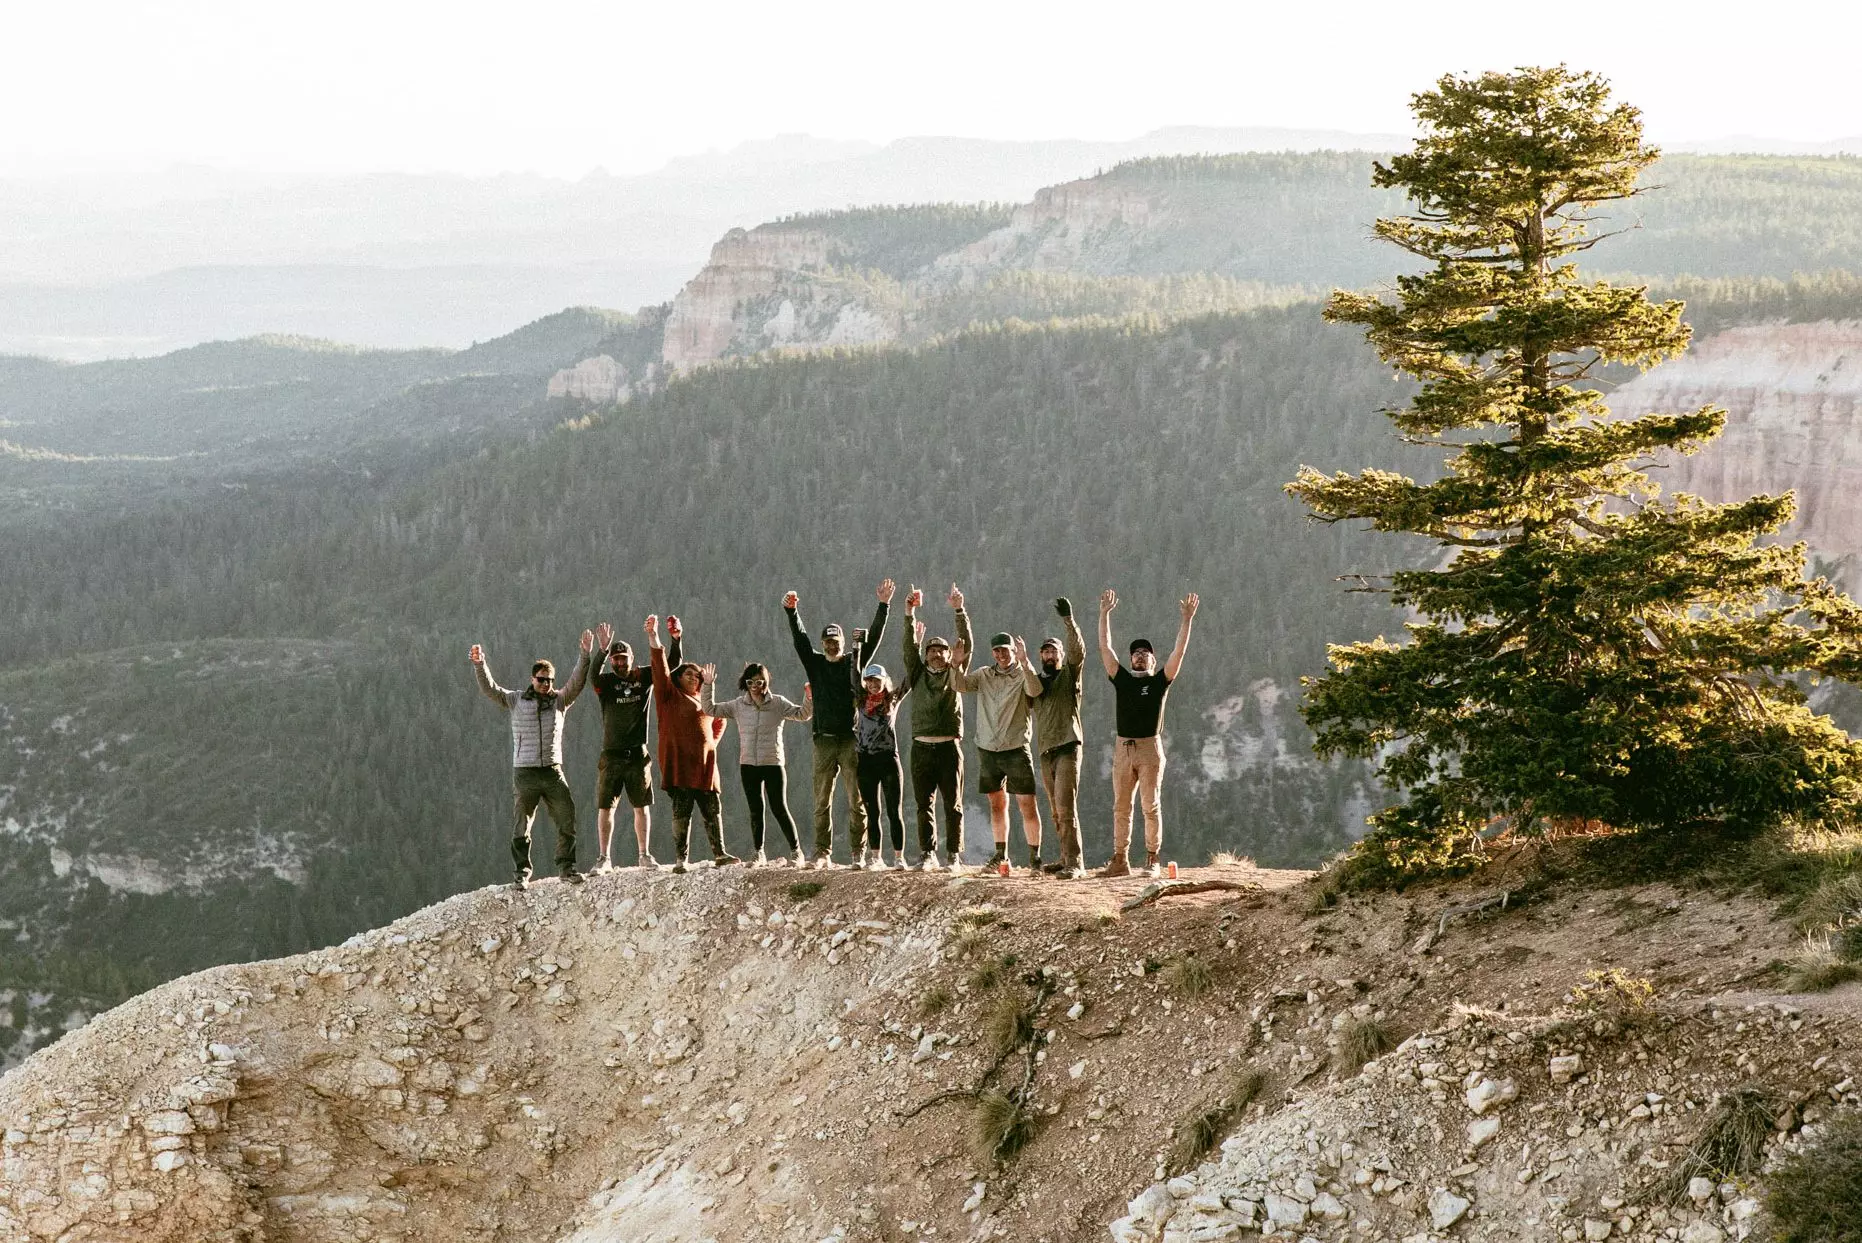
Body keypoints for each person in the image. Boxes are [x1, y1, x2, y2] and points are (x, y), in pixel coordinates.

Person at [470, 632, 593, 888]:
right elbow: (490, 689)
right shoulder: (515, 700)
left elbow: (577, 682)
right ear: (532, 679)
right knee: (522, 824)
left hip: (551, 769)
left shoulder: (560, 701)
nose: (545, 684)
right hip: (525, 771)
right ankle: (521, 873)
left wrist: (585, 655)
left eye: (549, 681)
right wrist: (480, 665)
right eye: (541, 680)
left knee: (566, 817)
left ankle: (567, 868)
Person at [784, 580, 894, 868]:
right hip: (823, 740)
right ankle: (822, 852)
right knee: (822, 800)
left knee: (855, 800)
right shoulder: (816, 664)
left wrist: (883, 605)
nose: (832, 646)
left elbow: (873, 640)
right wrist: (792, 612)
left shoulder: (852, 664)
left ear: (843, 643)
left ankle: (857, 852)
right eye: (828, 642)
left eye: (836, 642)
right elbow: (800, 641)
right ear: (823, 644)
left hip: (850, 739)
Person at [1097, 589, 1199, 878]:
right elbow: (1105, 648)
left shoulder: (1159, 683)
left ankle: (1152, 859)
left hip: (1149, 748)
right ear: (1131, 660)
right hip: (1123, 747)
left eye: (1145, 653)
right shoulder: (1122, 680)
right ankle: (1120, 859)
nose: (1140, 656)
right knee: (1121, 805)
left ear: (1154, 661)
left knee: (1150, 805)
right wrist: (1104, 614)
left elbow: (1179, 652)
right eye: (1136, 653)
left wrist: (1186, 620)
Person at [951, 618, 1044, 874]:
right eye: (998, 651)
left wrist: (1026, 663)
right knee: (996, 804)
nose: (1002, 655)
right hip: (988, 749)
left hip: (1015, 747)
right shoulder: (983, 674)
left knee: (1027, 804)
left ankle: (1035, 857)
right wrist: (955, 665)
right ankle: (1001, 856)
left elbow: (1035, 691)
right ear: (993, 653)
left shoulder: (1023, 674)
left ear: (1014, 651)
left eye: (1006, 650)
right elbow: (958, 685)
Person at [588, 617, 680, 871]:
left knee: (641, 806)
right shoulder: (606, 682)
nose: (619, 662)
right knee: (606, 807)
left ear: (631, 657)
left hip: (638, 753)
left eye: (623, 657)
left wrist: (672, 638)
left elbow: (670, 665)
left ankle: (644, 854)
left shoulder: (644, 675)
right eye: (615, 658)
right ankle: (604, 858)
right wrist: (602, 649)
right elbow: (591, 677)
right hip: (611, 754)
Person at [645, 615, 735, 873]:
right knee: (681, 812)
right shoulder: (668, 695)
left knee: (712, 809)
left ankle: (720, 853)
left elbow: (720, 720)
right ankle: (680, 859)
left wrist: (710, 744)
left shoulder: (704, 702)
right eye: (688, 674)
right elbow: (660, 667)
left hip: (705, 764)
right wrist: (655, 636)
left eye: (697, 676)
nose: (694, 678)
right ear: (678, 678)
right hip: (680, 764)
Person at [709, 662, 813, 865]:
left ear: (766, 681)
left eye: (759, 681)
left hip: (773, 762)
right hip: (748, 764)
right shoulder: (738, 705)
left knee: (779, 808)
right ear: (745, 683)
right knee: (756, 809)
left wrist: (809, 697)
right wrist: (707, 685)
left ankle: (796, 851)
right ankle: (759, 853)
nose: (755, 685)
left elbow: (803, 714)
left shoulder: (778, 703)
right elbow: (710, 708)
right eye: (750, 682)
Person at [900, 585, 973, 870]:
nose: (936, 655)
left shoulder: (956, 673)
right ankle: (927, 854)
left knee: (953, 805)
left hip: (949, 746)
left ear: (948, 654)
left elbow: (966, 642)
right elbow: (908, 647)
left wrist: (959, 610)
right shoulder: (917, 674)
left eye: (941, 651)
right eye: (931, 650)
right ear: (926, 653)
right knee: (923, 805)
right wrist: (909, 612)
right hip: (921, 747)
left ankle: (954, 855)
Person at [1030, 597, 1087, 878]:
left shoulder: (1070, 677)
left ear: (1060, 656)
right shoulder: (1036, 684)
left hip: (1067, 747)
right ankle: (1065, 858)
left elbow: (1079, 651)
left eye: (1054, 652)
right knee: (1055, 810)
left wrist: (1069, 620)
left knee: (1066, 807)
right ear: (1040, 656)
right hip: (1045, 751)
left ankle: (1075, 863)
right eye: (1046, 653)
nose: (1050, 656)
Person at [851, 661, 909, 870]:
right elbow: (853, 673)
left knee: (894, 811)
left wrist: (916, 645)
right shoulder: (861, 700)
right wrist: (857, 649)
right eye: (870, 680)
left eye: (877, 680)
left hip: (888, 760)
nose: (874, 684)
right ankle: (876, 857)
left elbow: (909, 678)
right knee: (872, 811)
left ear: (885, 681)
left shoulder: (892, 699)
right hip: (866, 761)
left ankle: (898, 857)